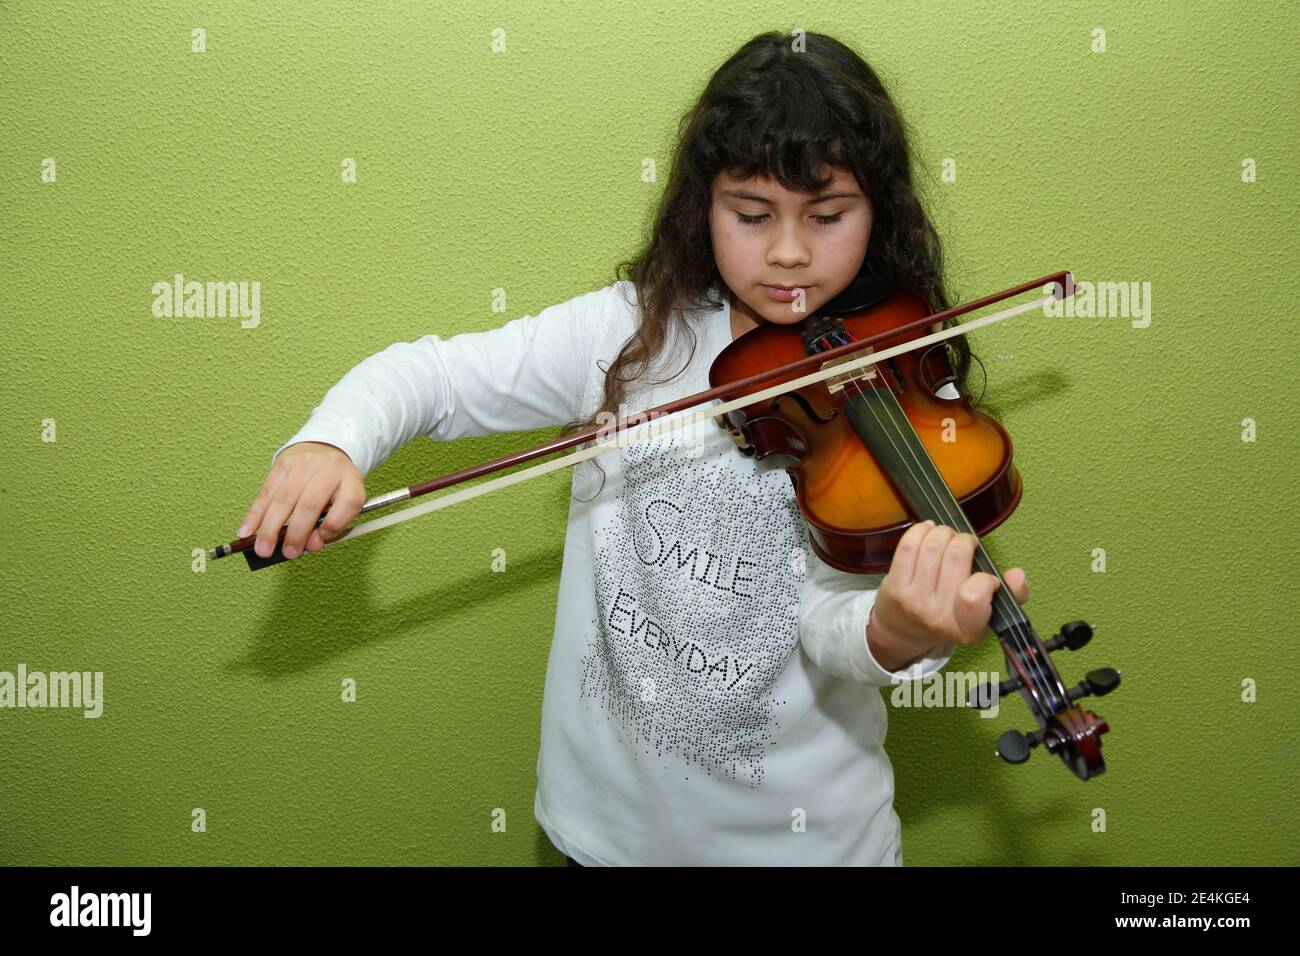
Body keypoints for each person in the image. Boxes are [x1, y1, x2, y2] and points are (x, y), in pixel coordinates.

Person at [235, 31, 1028, 866]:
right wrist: (332, 440)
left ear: (880, 211)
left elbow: (831, 623)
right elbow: (431, 377)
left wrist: (896, 630)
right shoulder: (629, 336)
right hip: (601, 838)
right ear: (703, 206)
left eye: (828, 217)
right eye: (752, 214)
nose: (789, 251)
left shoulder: (901, 385)